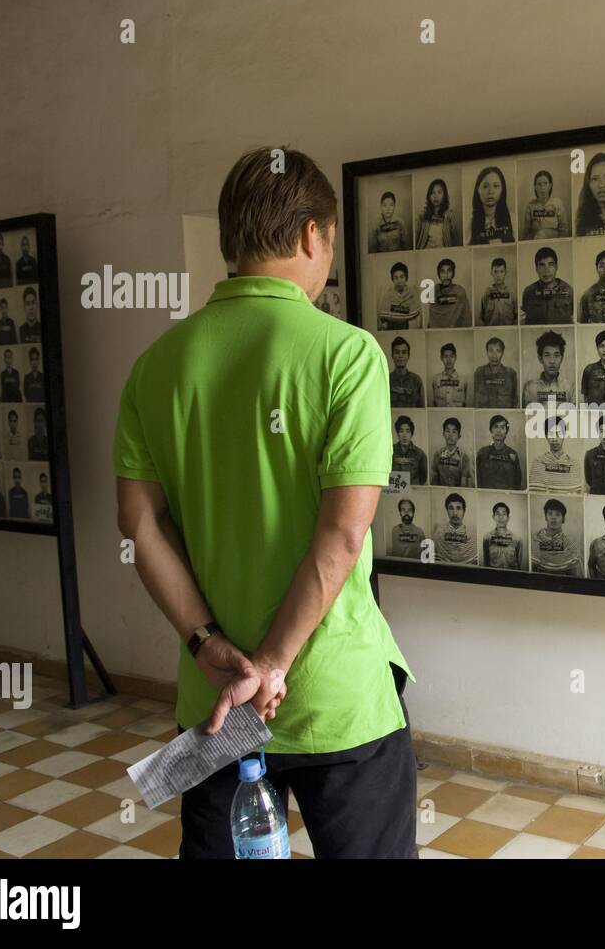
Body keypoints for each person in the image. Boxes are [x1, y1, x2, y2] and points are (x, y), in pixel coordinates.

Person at [116, 145, 415, 858]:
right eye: (330, 245)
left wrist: (207, 645)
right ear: (313, 235)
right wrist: (275, 665)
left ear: (230, 239)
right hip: (333, 696)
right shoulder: (346, 354)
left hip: (214, 703)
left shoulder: (156, 367)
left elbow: (139, 524)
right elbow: (343, 536)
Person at [520, 246, 574, 325]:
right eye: (542, 265)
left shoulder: (568, 290)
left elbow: (573, 318)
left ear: (556, 267)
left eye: (550, 264)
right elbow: (524, 319)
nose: (546, 270)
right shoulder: (529, 292)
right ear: (536, 268)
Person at [530, 415, 583, 493]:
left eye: (558, 434)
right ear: (546, 436)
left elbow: (577, 493)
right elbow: (535, 493)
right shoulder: (538, 463)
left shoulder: (574, 464)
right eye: (551, 434)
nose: (554, 439)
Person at [531, 498, 584, 576]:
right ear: (545, 517)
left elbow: (574, 576)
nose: (553, 517)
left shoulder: (570, 544)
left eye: (558, 514)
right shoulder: (535, 540)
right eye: (550, 513)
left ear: (563, 519)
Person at [521, 329, 574, 404]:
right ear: (540, 359)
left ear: (562, 358)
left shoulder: (569, 388)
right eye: (547, 355)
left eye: (556, 355)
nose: (552, 361)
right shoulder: (529, 388)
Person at [468, 165, 514, 245]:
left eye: (496, 186)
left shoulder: (513, 219)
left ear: (502, 189)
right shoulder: (470, 222)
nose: (491, 191)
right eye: (485, 186)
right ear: (478, 189)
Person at [476, 413, 523, 490]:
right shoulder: (482, 453)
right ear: (491, 430)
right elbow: (477, 481)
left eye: (502, 427)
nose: (499, 431)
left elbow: (517, 483)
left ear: (506, 431)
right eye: (495, 427)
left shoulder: (513, 454)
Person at [520, 169, 569, 240]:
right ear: (535, 187)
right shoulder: (530, 206)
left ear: (550, 185)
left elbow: (564, 230)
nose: (542, 188)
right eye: (539, 184)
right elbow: (526, 231)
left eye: (545, 183)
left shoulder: (558, 203)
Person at [472, 336, 518, 408]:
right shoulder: (479, 372)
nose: (494, 355)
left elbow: (515, 402)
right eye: (491, 351)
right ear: (487, 352)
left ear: (502, 353)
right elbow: (475, 401)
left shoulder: (511, 373)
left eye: (498, 351)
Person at [415, 177, 461, 249]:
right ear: (429, 196)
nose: (436, 196)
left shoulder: (450, 215)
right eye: (433, 192)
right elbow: (416, 238)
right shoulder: (422, 215)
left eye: (439, 192)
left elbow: (456, 241)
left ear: (444, 195)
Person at [432, 492, 477, 565]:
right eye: (451, 508)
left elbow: (473, 561)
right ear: (447, 510)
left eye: (458, 508)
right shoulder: (439, 533)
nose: (455, 513)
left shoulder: (472, 535)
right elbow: (436, 559)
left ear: (464, 511)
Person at [426, 259, 470, 328]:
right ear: (439, 274)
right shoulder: (433, 291)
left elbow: (466, 316)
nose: (446, 275)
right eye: (442, 272)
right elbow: (431, 318)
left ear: (453, 273)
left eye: (449, 271)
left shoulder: (459, 291)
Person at [482, 501, 525, 570]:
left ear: (508, 518)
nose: (501, 517)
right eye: (497, 514)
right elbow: (486, 562)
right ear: (493, 517)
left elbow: (518, 563)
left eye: (504, 514)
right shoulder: (487, 538)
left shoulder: (517, 539)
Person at [377, 262, 420, 330]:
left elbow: (415, 317)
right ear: (392, 279)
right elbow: (384, 319)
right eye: (395, 278)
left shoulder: (412, 294)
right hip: (391, 331)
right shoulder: (388, 295)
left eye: (402, 277)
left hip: (409, 330)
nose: (399, 281)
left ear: (406, 278)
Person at [432, 416, 473, 487]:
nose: (450, 435)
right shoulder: (437, 454)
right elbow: (434, 480)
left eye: (454, 432)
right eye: (447, 431)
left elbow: (464, 485)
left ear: (459, 436)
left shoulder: (464, 458)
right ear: (443, 434)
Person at [478, 256, 517, 326]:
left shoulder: (511, 292)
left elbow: (516, 316)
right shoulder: (487, 292)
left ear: (505, 272)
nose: (498, 275)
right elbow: (481, 316)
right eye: (496, 272)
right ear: (491, 273)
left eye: (501, 271)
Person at [387, 336, 424, 408]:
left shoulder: (416, 380)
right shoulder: (386, 380)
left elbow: (422, 409)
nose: (400, 356)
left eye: (404, 352)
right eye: (397, 352)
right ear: (392, 356)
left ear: (408, 356)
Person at [391, 415, 428, 485]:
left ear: (412, 434)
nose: (404, 435)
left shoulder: (420, 454)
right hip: (394, 491)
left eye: (408, 431)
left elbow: (423, 477)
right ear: (397, 434)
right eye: (401, 431)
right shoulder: (390, 451)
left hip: (413, 491)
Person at [429, 342, 467, 407]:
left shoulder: (463, 381)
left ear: (455, 357)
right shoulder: (435, 379)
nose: (449, 360)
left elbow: (466, 405)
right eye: (445, 356)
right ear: (441, 358)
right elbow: (433, 404)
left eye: (451, 356)